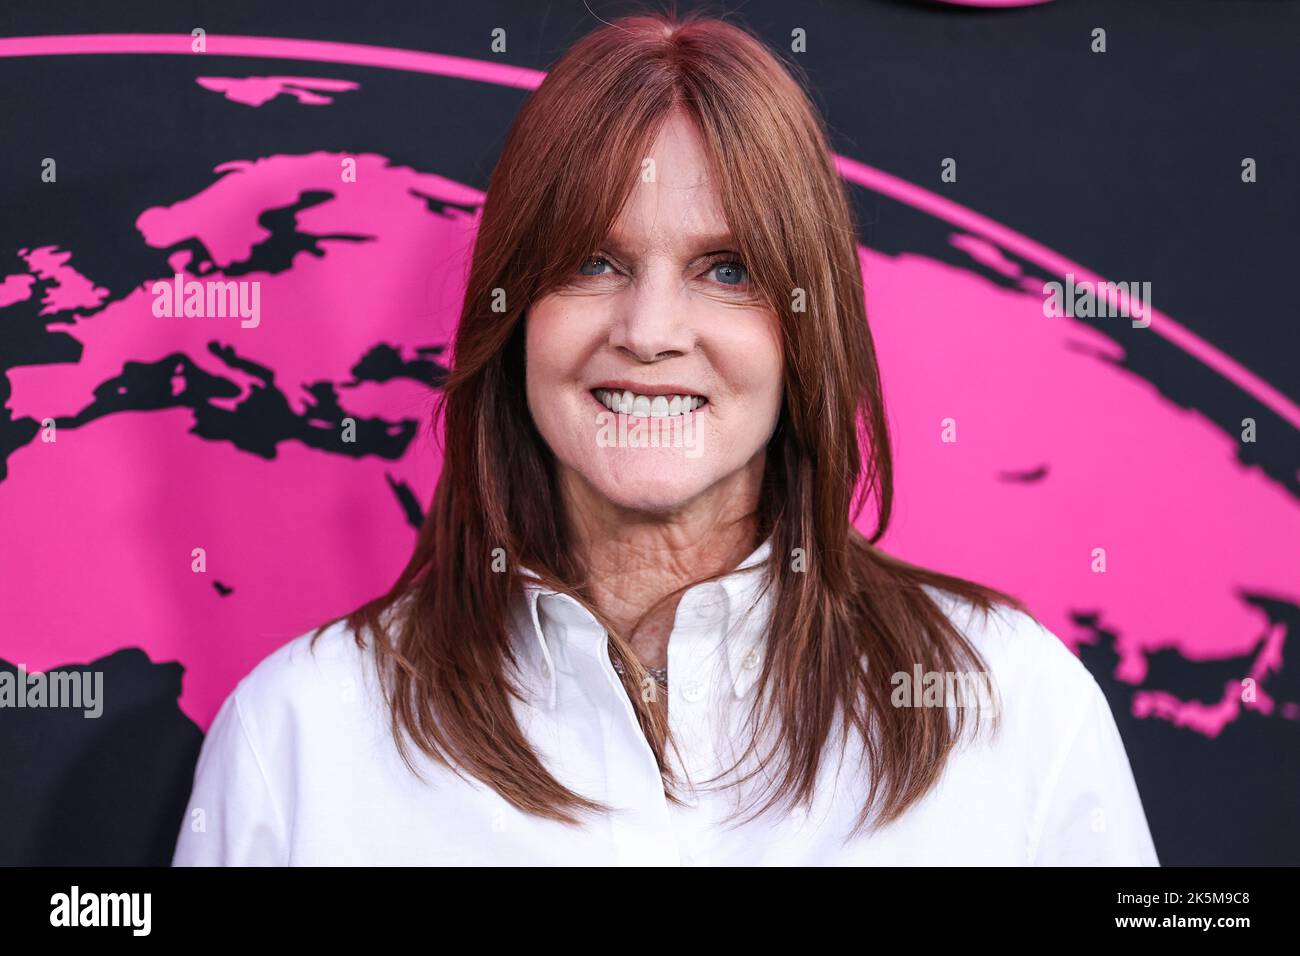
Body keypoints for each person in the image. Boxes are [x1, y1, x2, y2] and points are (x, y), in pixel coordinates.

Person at [172, 10, 1159, 866]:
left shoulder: (1013, 709)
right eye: (593, 261)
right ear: (514, 313)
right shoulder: (300, 733)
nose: (647, 331)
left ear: (806, 323)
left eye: (725, 270)